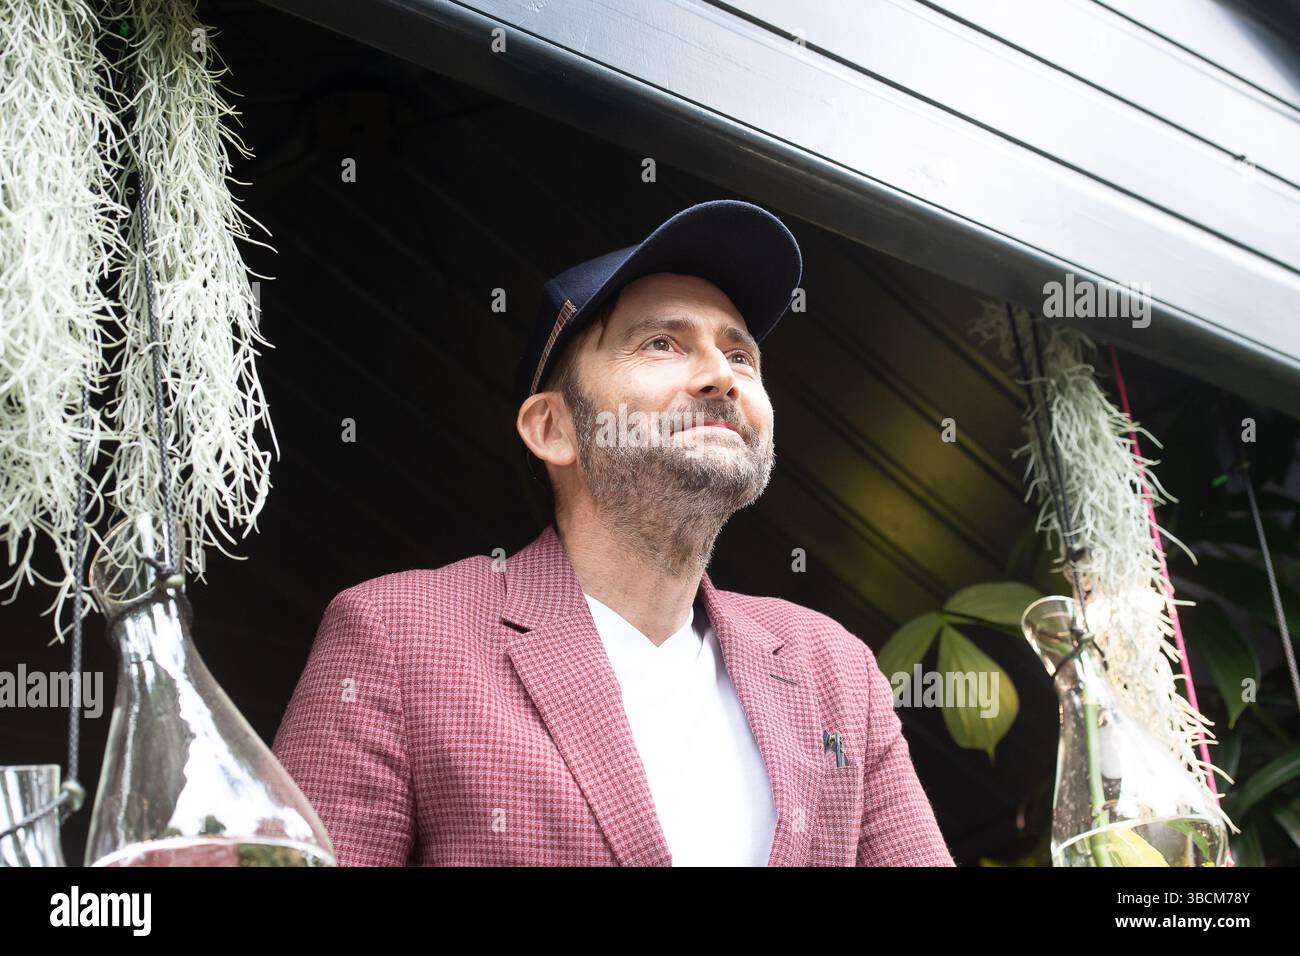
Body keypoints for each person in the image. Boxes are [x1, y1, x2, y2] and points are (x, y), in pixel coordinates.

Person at [272, 199, 955, 866]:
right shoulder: (400, 634)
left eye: (741, 356)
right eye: (663, 343)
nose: (721, 375)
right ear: (553, 428)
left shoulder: (836, 669)